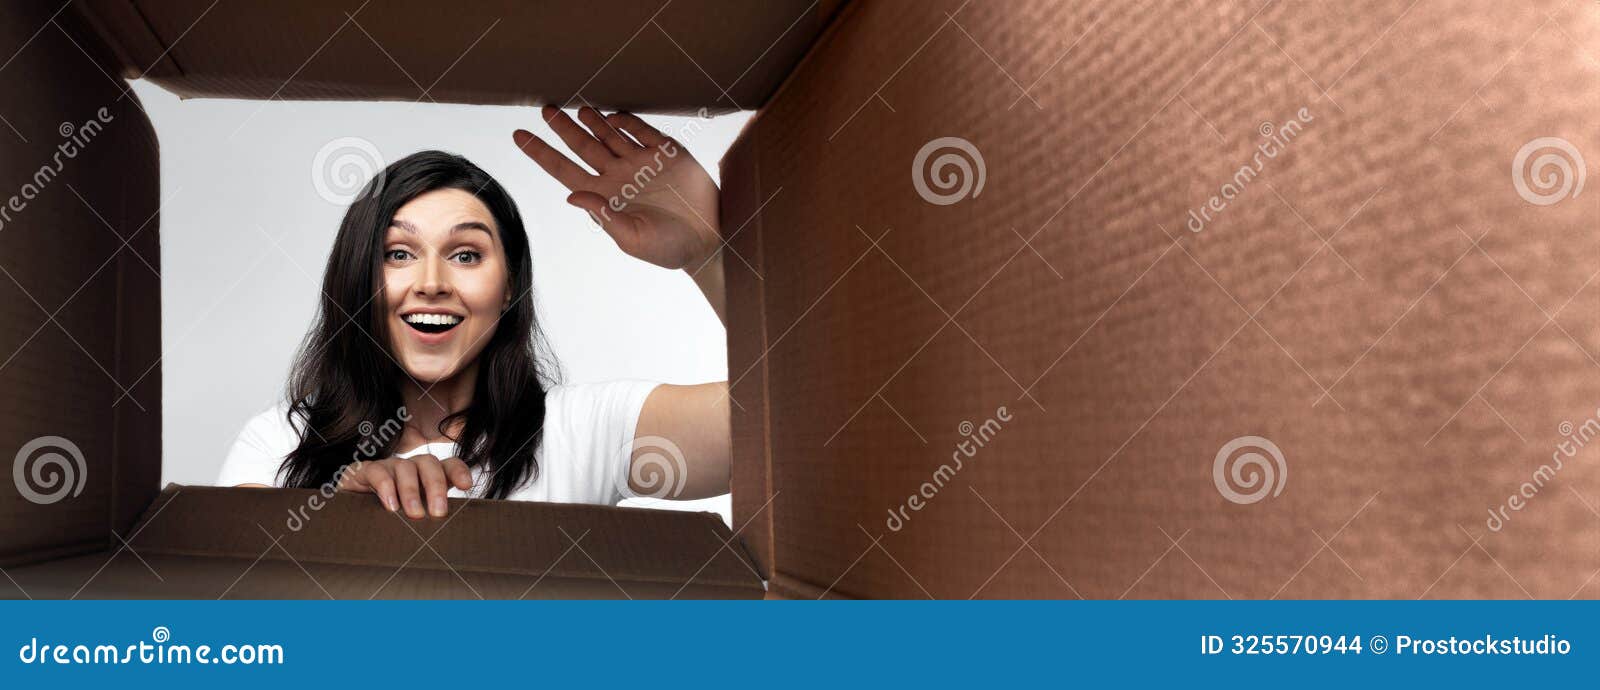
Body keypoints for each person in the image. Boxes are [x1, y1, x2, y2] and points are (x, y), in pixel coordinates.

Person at [217, 106, 730, 519]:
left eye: (466, 255)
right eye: (398, 254)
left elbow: (795, 426)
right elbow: (231, 603)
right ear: (358, 280)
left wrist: (712, 253)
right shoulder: (280, 443)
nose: (433, 284)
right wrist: (338, 512)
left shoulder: (584, 430)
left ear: (508, 288)